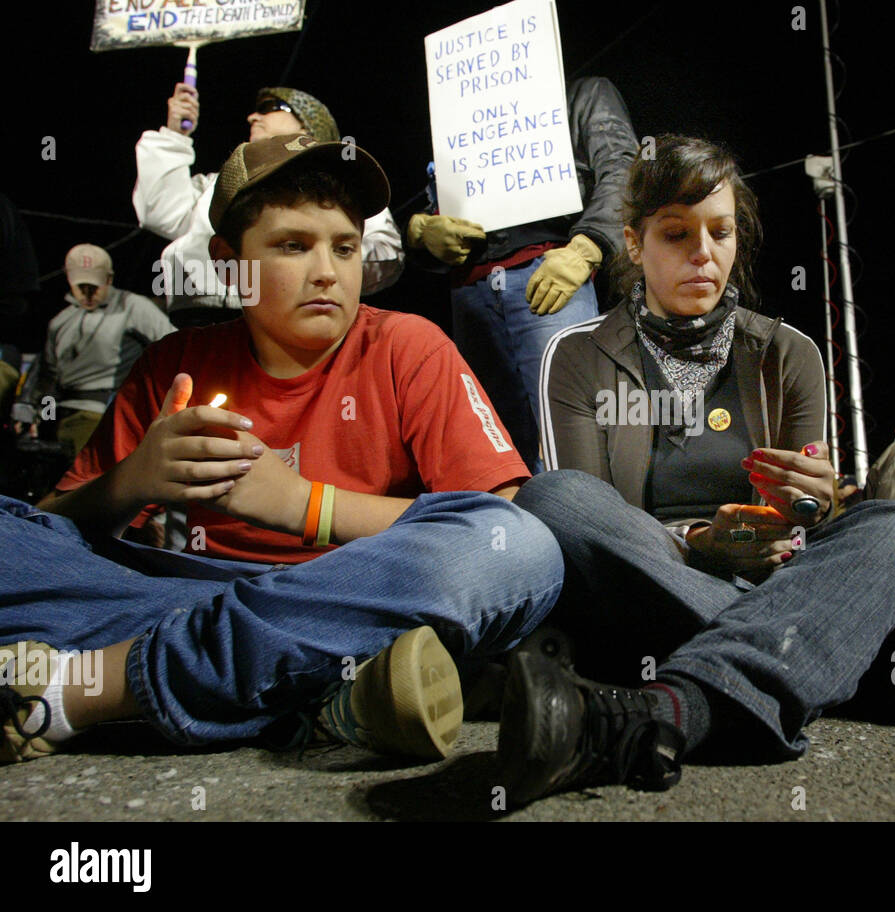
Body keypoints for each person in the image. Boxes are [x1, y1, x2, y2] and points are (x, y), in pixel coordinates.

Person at [1, 133, 562, 764]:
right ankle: (311, 696)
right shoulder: (172, 364)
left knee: (528, 548)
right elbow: (49, 532)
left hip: (358, 595)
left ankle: (90, 686)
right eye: (293, 246)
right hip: (204, 600)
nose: (327, 270)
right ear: (227, 261)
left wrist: (301, 504)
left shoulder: (408, 346)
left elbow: (498, 527)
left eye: (345, 248)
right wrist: (133, 481)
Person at [498, 135, 895, 804]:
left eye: (720, 232)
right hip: (652, 581)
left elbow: (803, 519)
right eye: (676, 233)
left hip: (769, 575)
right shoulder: (578, 354)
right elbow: (585, 519)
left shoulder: (787, 352)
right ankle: (800, 648)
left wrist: (811, 507)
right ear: (634, 243)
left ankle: (667, 707)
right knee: (552, 498)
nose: (703, 253)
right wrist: (702, 540)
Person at [407, 76, 638, 472]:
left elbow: (623, 167)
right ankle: (517, 530)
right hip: (470, 288)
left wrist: (590, 244)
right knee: (493, 447)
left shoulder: (584, 94)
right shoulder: (465, 114)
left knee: (572, 434)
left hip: (549, 271)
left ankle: (590, 529)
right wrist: (421, 231)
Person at [134, 83, 404, 327]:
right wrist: (174, 135)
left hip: (295, 327)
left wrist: (308, 265)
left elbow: (386, 255)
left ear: (307, 128)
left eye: (271, 108)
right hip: (199, 325)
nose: (253, 116)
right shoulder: (215, 187)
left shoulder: (344, 189)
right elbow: (159, 209)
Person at [12, 243, 175, 455]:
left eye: (94, 286)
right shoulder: (61, 322)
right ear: (69, 279)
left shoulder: (133, 307)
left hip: (101, 412)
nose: (88, 294)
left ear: (109, 279)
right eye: (81, 286)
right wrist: (38, 414)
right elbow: (49, 378)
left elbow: (173, 343)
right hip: (60, 413)